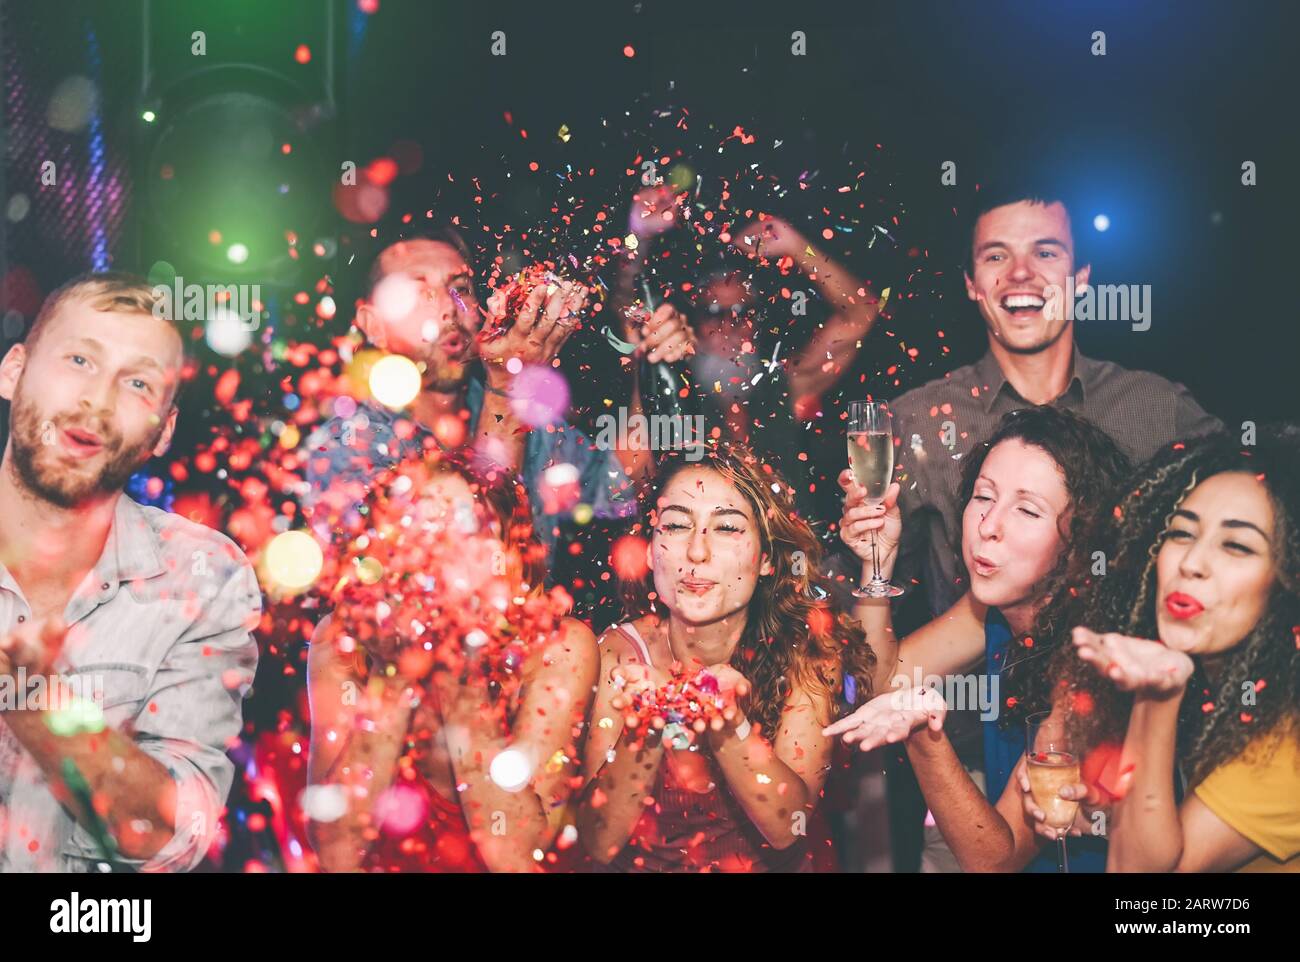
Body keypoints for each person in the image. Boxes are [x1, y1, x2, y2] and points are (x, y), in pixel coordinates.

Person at [0, 273, 260, 871]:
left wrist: (33, 698)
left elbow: (171, 837)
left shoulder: (201, 578)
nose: (98, 399)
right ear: (14, 371)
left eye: (137, 381)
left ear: (162, 432)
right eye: (79, 359)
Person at [891, 182, 1222, 621]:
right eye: (996, 256)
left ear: (1081, 276)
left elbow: (1254, 506)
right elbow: (868, 591)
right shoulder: (917, 418)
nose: (1020, 273)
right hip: (967, 684)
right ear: (971, 283)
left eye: (1045, 253)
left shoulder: (1156, 408)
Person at [825, 406, 1131, 871]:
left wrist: (926, 733)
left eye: (1027, 509)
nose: (989, 526)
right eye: (983, 497)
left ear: (1082, 540)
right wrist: (877, 565)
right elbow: (876, 687)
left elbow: (995, 861)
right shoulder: (990, 611)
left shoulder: (1092, 662)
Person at [576, 442, 875, 871]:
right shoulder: (619, 655)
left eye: (727, 528)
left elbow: (787, 828)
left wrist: (727, 722)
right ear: (649, 551)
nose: (697, 552)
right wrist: (648, 721)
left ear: (768, 558)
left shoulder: (809, 651)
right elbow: (598, 840)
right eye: (677, 526)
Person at [306, 452, 599, 872]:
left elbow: (516, 856)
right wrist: (394, 675)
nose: (442, 554)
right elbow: (336, 853)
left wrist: (458, 673)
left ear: (509, 550)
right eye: (421, 530)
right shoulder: (347, 637)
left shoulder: (558, 646)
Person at [303, 227, 640, 564]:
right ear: (373, 325)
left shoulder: (531, 424)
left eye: (460, 289)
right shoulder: (346, 445)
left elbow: (624, 487)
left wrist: (649, 363)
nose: (449, 307)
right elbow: (455, 572)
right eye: (418, 293)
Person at [1046, 427, 1300, 872]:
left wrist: (1158, 694)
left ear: (1287, 585)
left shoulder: (1286, 748)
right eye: (1181, 534)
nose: (1191, 563)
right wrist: (1113, 817)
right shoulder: (1235, 693)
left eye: (1237, 545)